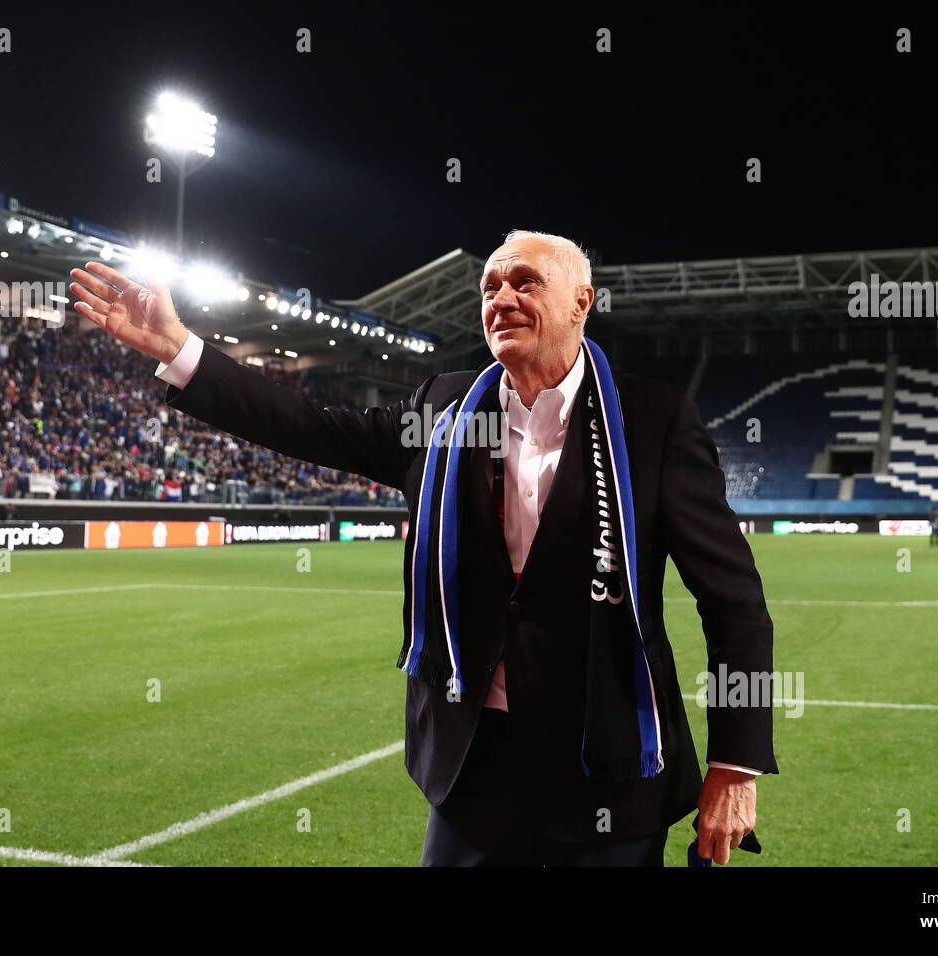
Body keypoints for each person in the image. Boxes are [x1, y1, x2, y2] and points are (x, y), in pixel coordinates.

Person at [70, 230, 778, 867]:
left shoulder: (652, 420)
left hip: (609, 770)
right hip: (473, 773)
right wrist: (179, 348)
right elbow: (315, 424)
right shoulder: (444, 410)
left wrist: (736, 764)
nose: (501, 297)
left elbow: (734, 603)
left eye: (525, 281)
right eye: (490, 287)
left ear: (581, 302)